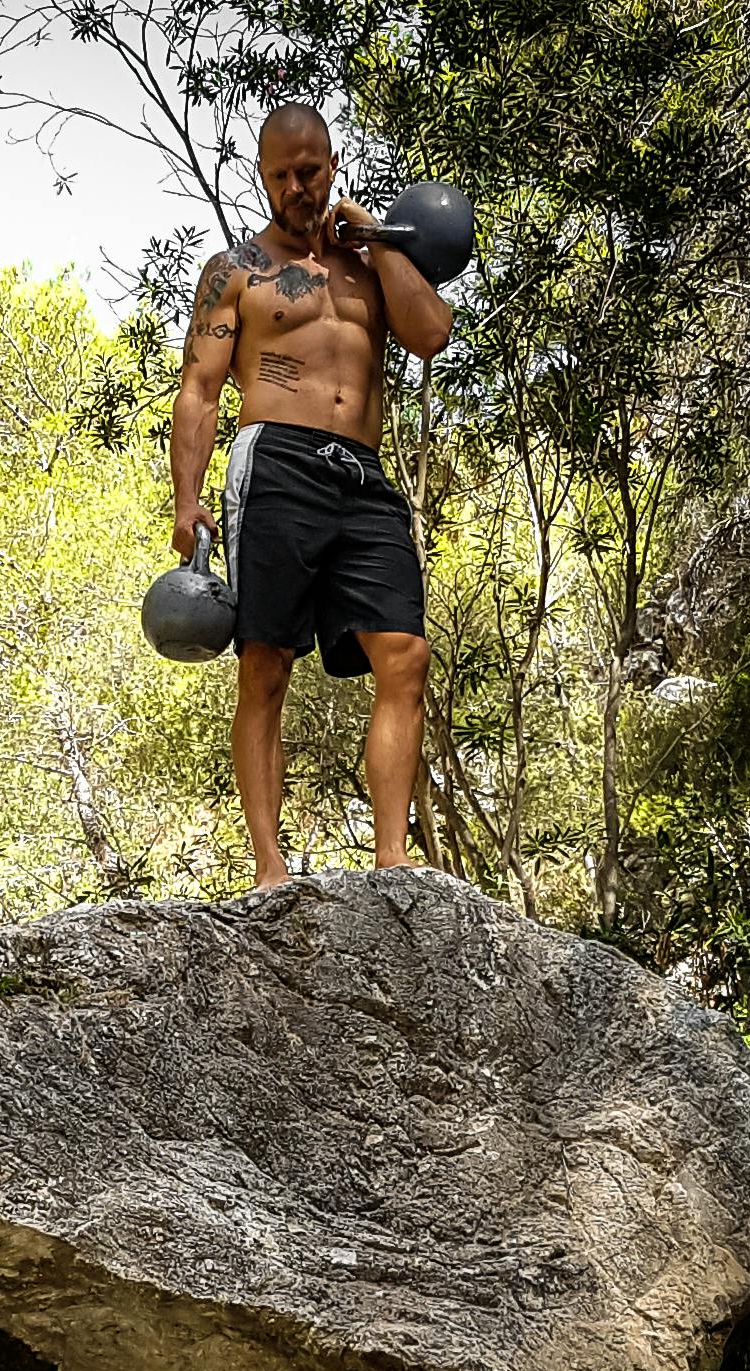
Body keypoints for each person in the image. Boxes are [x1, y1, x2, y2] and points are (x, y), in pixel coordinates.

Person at [170, 102, 454, 887]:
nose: (298, 186)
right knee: (265, 661)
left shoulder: (371, 266)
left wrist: (378, 243)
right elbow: (198, 388)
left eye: (311, 171)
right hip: (277, 463)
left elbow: (431, 333)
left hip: (362, 474)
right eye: (282, 175)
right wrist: (185, 499)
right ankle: (270, 868)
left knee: (406, 655)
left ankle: (392, 861)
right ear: (262, 177)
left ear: (333, 165)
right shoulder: (236, 273)